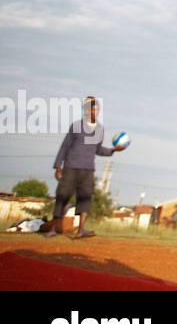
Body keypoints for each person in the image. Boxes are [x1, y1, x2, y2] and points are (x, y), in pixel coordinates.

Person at [47, 97, 126, 239]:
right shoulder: (76, 126)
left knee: (85, 198)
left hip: (88, 169)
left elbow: (98, 149)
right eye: (91, 109)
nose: (94, 111)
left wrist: (113, 150)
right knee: (62, 196)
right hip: (71, 167)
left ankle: (81, 230)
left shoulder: (100, 129)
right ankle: (53, 228)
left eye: (97, 109)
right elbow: (65, 146)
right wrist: (58, 166)